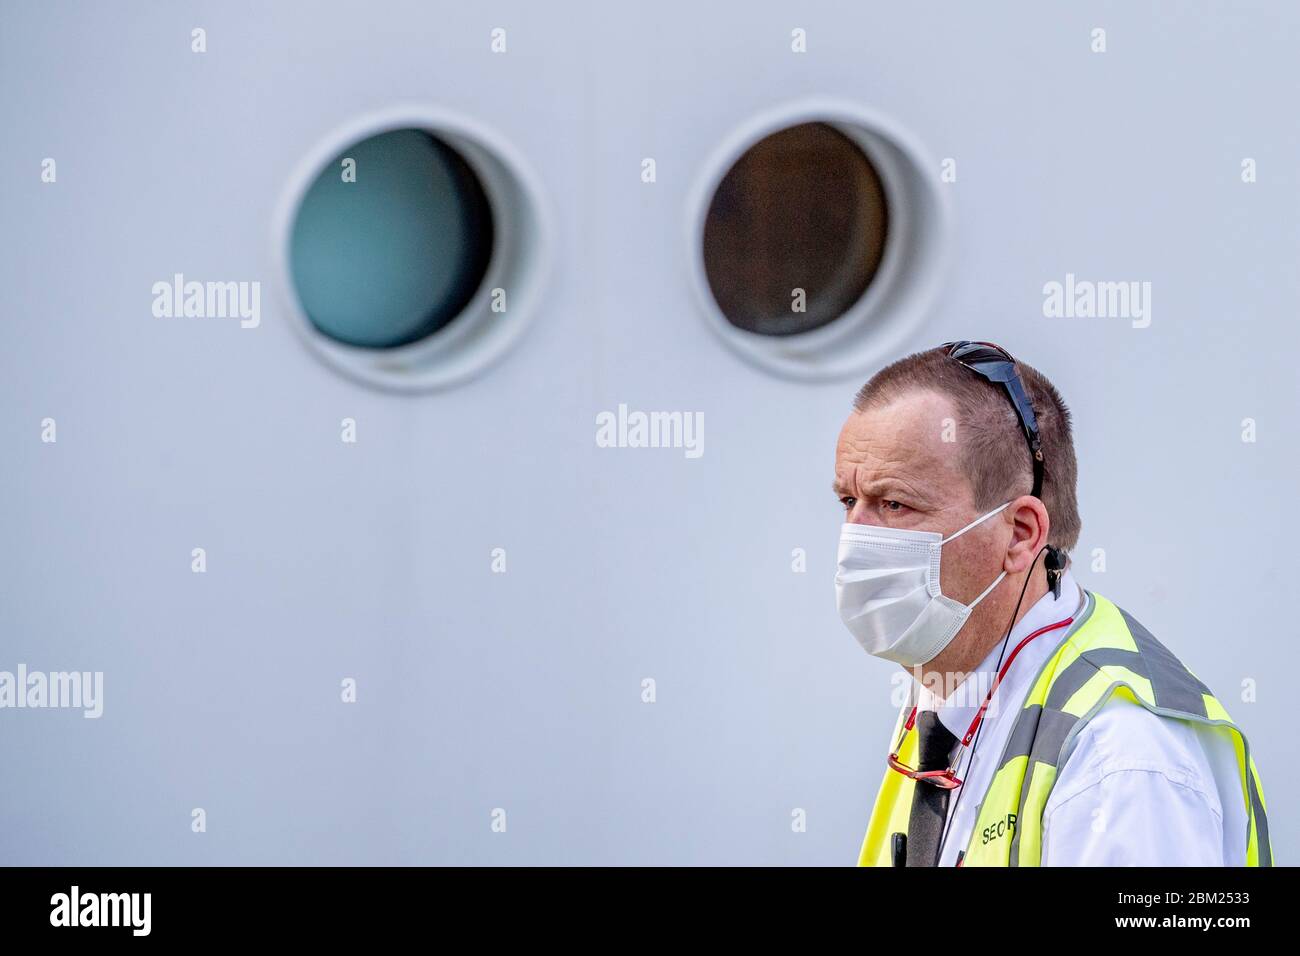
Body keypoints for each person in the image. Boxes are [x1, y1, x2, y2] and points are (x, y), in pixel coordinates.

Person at [834, 341, 1271, 866]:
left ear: (1020, 534)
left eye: (895, 504)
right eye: (848, 501)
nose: (854, 537)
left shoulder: (1122, 759)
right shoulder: (949, 702)